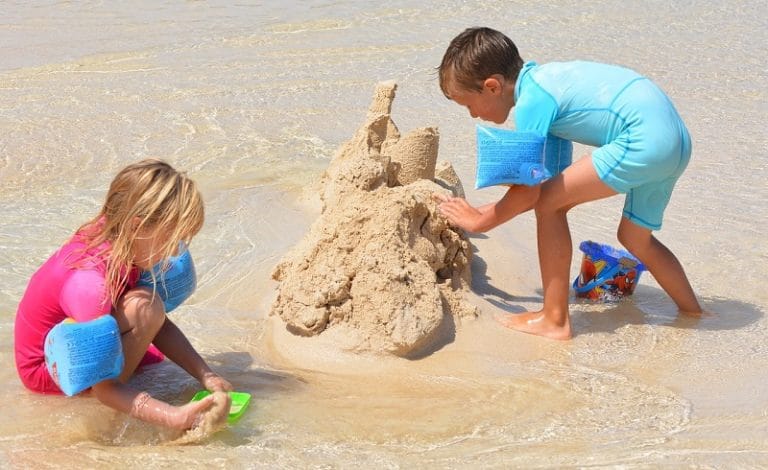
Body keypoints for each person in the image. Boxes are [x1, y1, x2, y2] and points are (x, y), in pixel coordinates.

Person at [434, 27, 702, 340]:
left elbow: (536, 194)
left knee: (550, 204)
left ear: (492, 86)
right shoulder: (546, 82)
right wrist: (493, 207)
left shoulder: (532, 102)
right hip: (676, 142)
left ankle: (554, 319)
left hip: (644, 139)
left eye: (468, 105)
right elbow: (543, 184)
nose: (472, 115)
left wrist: (480, 220)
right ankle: (694, 313)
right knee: (635, 236)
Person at [14, 158, 232, 429]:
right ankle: (109, 397)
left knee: (148, 309)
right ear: (136, 226)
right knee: (144, 308)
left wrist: (207, 375)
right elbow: (104, 389)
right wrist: (173, 416)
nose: (174, 251)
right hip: (54, 369)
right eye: (169, 238)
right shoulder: (90, 285)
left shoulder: (118, 238)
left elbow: (159, 323)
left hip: (83, 335)